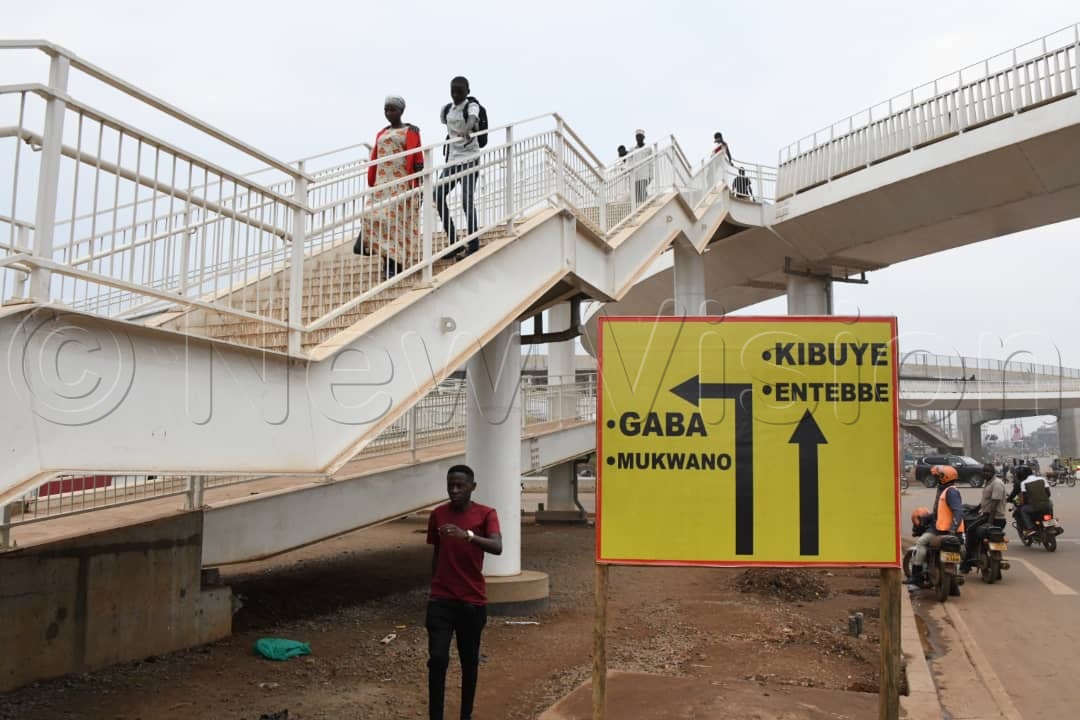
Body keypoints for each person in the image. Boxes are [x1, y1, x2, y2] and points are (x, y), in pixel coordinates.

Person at [426, 464, 502, 720]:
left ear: (473, 487)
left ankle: (465, 715)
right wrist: (433, 586)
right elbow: (437, 552)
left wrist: (467, 536)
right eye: (450, 485)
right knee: (437, 659)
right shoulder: (437, 514)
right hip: (441, 601)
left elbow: (497, 546)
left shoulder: (486, 514)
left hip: (472, 601)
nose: (454, 490)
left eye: (460, 485)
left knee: (469, 662)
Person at [354, 95, 423, 278]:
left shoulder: (412, 131)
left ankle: (392, 265)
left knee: (394, 225)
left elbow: (418, 160)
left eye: (392, 109)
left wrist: (418, 186)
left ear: (401, 111)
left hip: (401, 183)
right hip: (381, 185)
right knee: (371, 215)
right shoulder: (382, 133)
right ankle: (378, 254)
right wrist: (372, 179)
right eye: (386, 109)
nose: (389, 113)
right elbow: (375, 158)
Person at [436, 77, 481, 259]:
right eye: (453, 91)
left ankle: (473, 243)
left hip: (470, 159)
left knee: (466, 200)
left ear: (467, 91)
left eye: (459, 91)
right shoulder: (446, 109)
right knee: (437, 194)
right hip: (453, 160)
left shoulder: (472, 106)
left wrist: (469, 128)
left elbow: (472, 119)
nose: (455, 95)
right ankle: (454, 242)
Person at [910, 465, 964, 587]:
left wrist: (953, 529)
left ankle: (916, 577)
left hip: (943, 531)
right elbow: (940, 513)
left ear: (945, 478)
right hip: (946, 530)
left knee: (921, 542)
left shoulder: (950, 492)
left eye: (940, 476)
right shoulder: (946, 490)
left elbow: (958, 511)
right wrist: (927, 518)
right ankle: (953, 587)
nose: (938, 478)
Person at [962, 463, 1006, 571]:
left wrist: (989, 522)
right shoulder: (989, 483)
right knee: (977, 535)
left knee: (970, 531)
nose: (985, 473)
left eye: (988, 471)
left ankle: (968, 560)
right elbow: (986, 501)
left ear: (993, 472)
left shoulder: (997, 484)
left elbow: (994, 504)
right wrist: (975, 509)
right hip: (987, 515)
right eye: (984, 471)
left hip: (994, 518)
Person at [1007, 464, 1052, 536]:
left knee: (1023, 510)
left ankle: (1030, 528)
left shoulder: (1023, 483)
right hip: (1047, 505)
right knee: (1050, 502)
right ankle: (1050, 522)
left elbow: (1023, 498)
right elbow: (1048, 494)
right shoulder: (1042, 479)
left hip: (1034, 506)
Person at [628, 129, 652, 203]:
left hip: (645, 175)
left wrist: (651, 175)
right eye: (637, 136)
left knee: (642, 191)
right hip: (635, 175)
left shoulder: (648, 149)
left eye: (640, 136)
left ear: (643, 137)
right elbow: (629, 162)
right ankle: (639, 208)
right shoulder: (632, 150)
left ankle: (643, 205)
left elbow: (651, 163)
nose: (638, 138)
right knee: (636, 193)